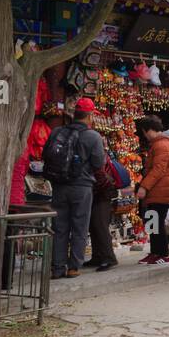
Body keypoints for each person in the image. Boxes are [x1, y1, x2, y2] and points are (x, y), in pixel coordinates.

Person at [44, 98, 106, 279]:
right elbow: (98, 163)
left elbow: (46, 155)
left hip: (59, 186)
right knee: (79, 227)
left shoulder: (57, 132)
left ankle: (57, 267)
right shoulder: (93, 136)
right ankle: (73, 267)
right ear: (90, 115)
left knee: (59, 227)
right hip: (82, 187)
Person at [136, 114, 169, 266]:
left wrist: (144, 187)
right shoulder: (160, 144)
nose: (145, 136)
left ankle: (163, 254)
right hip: (158, 189)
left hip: (161, 190)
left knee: (156, 222)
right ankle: (155, 252)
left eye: (144, 132)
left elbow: (158, 170)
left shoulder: (161, 145)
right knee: (152, 221)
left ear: (148, 130)